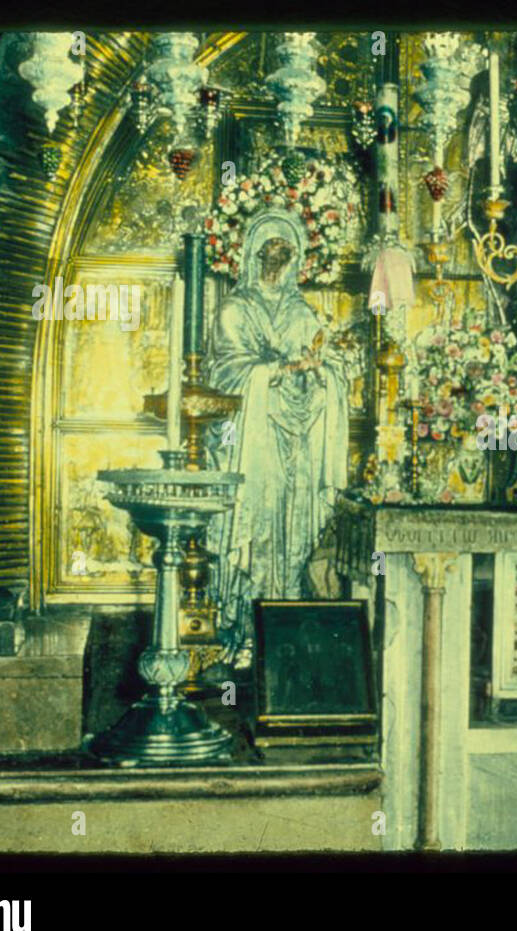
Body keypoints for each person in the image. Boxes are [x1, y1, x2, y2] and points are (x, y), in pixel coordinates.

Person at [207, 209, 350, 669]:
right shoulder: (235, 309)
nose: (277, 260)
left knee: (302, 527)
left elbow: (327, 366)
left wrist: (321, 374)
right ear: (252, 255)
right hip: (255, 440)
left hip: (301, 443)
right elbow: (227, 372)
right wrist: (278, 371)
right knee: (260, 528)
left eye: (285, 253)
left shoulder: (300, 311)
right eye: (269, 251)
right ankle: (247, 630)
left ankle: (297, 630)